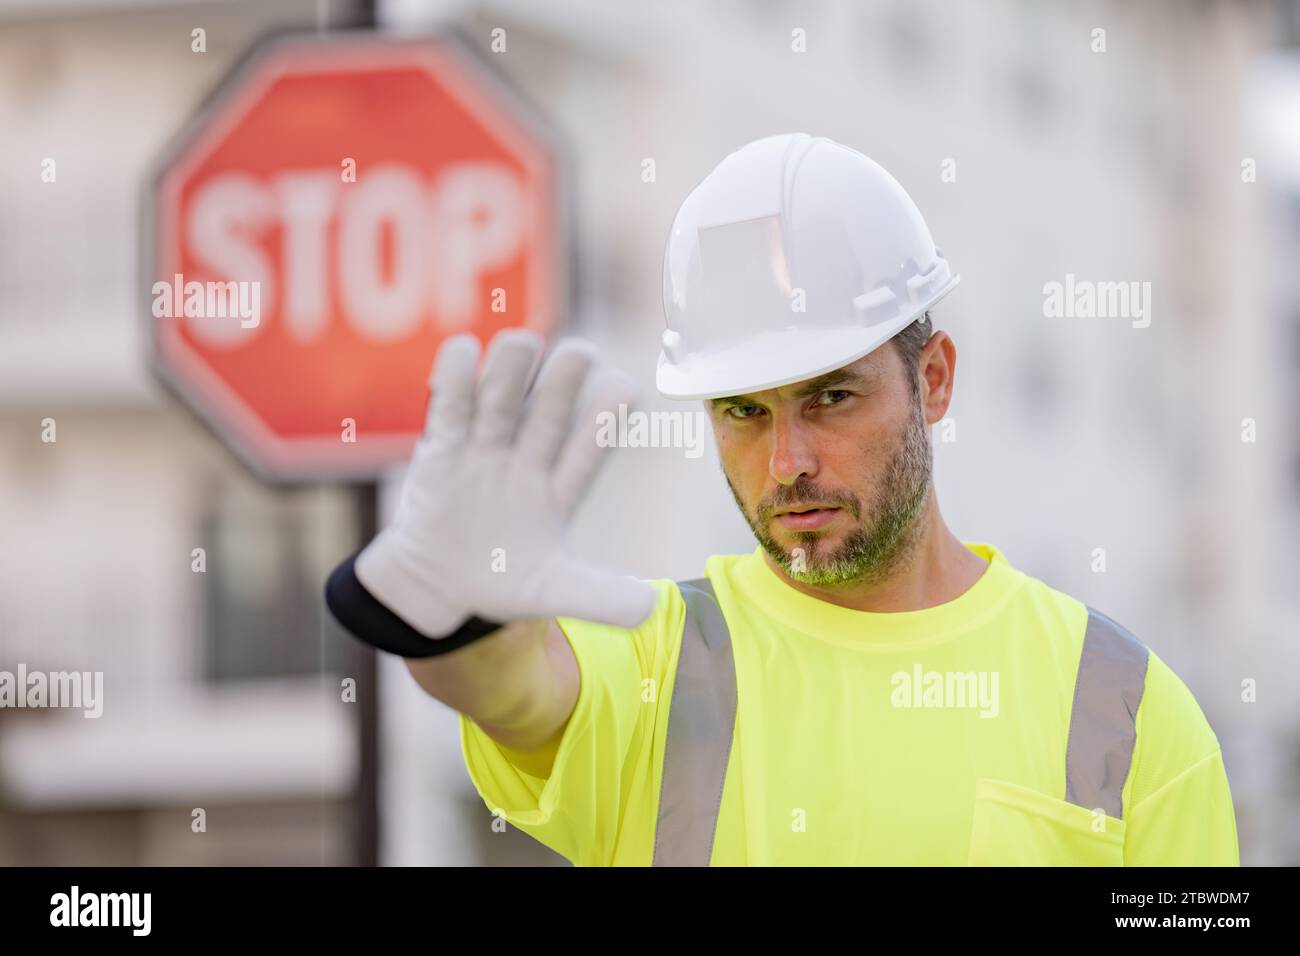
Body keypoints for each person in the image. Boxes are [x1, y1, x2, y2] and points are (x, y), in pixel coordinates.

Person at [326, 133, 1239, 866]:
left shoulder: (1124, 706)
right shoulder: (665, 661)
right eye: (743, 412)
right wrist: (457, 621)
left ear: (937, 378)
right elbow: (518, 691)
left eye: (831, 396)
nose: (788, 460)